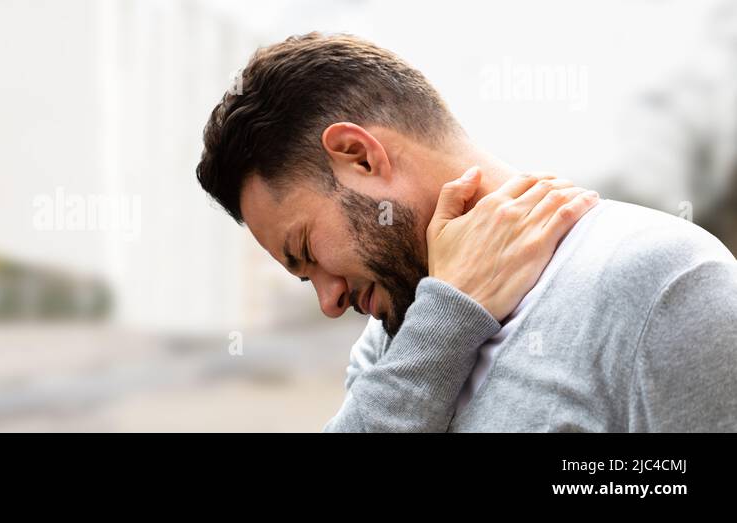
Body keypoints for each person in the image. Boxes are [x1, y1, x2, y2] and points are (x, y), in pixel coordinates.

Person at [195, 33, 737, 432]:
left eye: (306, 252)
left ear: (359, 156)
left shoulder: (663, 282)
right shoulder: (401, 332)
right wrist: (446, 319)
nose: (329, 300)